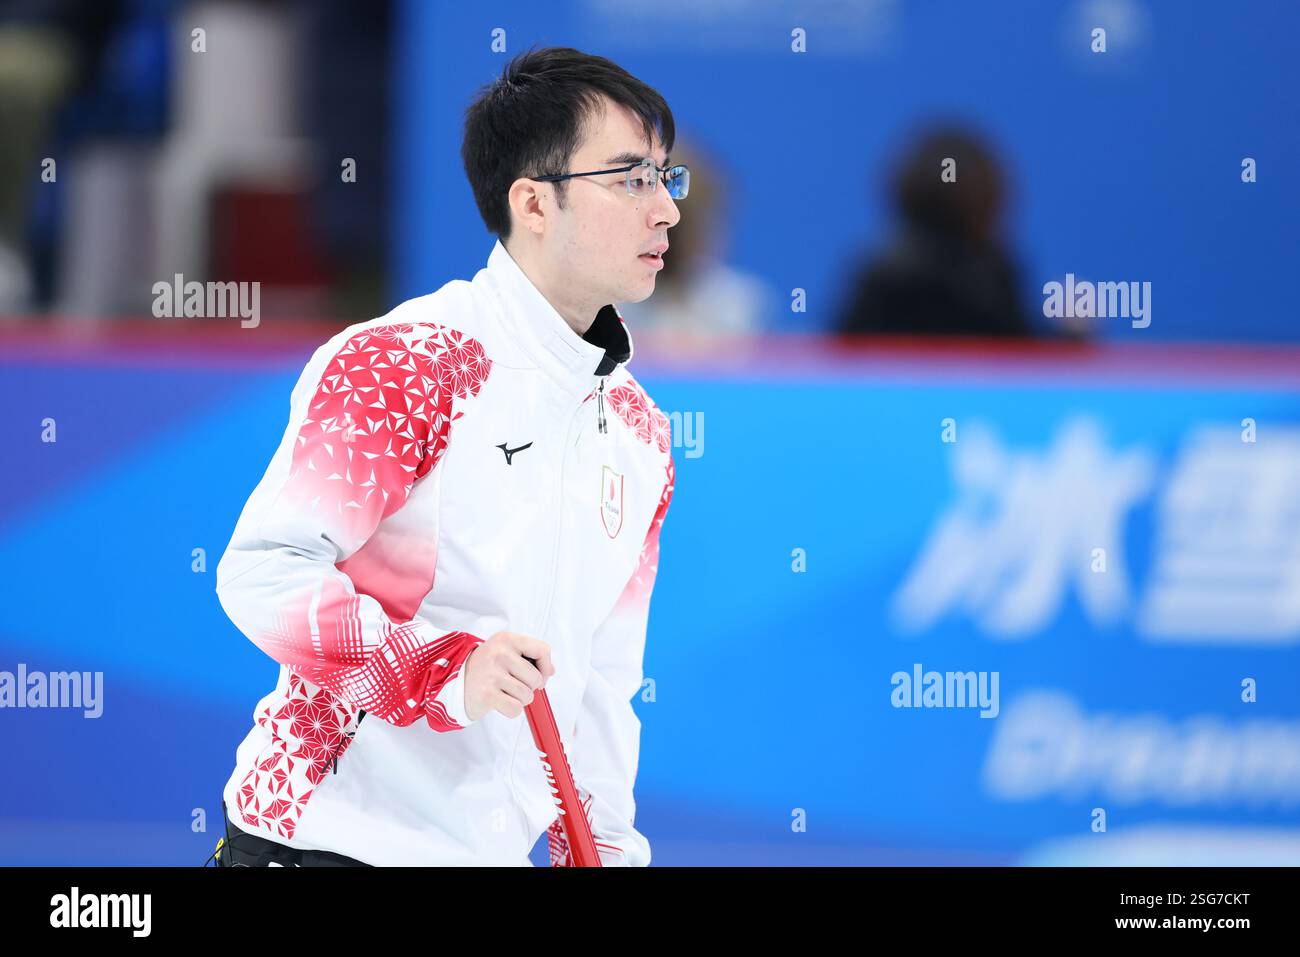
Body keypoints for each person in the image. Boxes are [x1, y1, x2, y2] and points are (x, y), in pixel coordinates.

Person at [209, 45, 683, 867]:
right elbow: (264, 573)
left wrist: (602, 849)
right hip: (322, 842)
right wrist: (439, 671)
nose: (667, 209)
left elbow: (603, 681)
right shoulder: (409, 363)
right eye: (631, 178)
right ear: (534, 202)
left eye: (665, 178)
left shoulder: (640, 430)